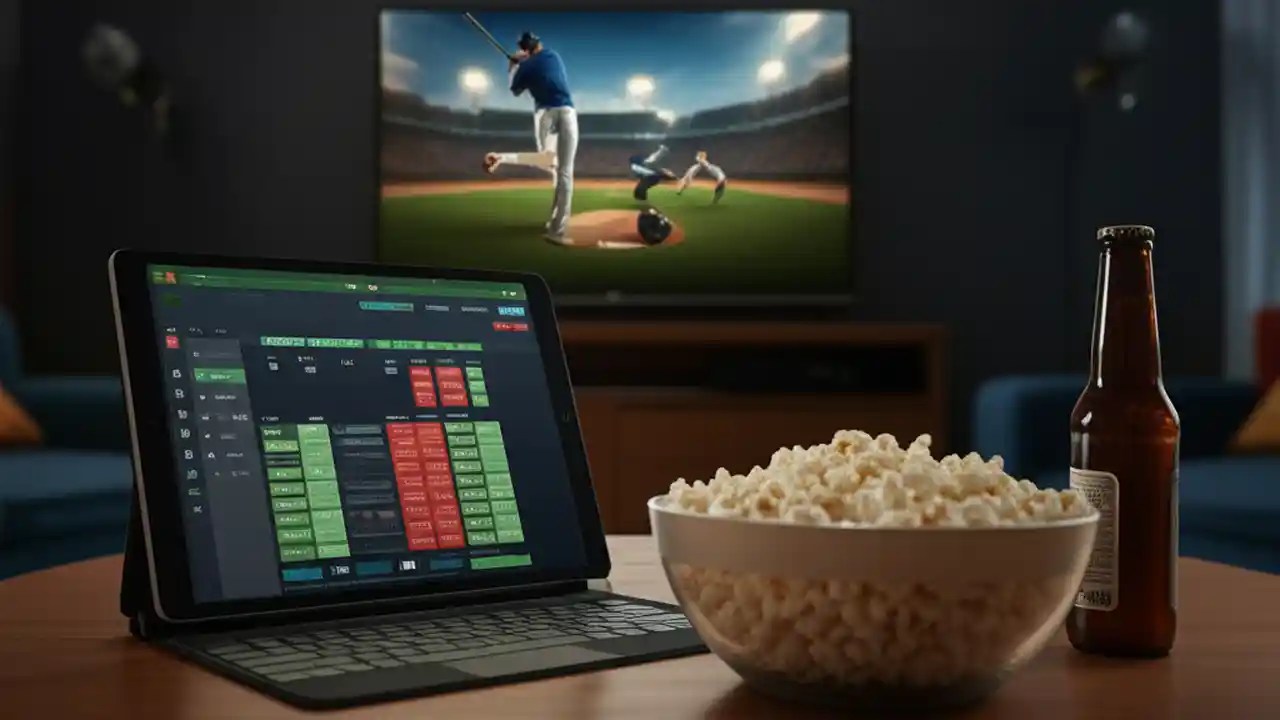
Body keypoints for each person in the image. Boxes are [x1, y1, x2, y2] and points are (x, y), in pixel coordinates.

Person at [482, 32, 578, 245]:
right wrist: (521, 63)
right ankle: (557, 231)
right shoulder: (553, 55)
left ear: (524, 49)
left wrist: (513, 67)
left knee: (550, 162)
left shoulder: (526, 67)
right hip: (566, 111)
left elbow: (515, 90)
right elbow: (539, 68)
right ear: (538, 43)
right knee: (563, 171)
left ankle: (500, 157)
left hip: (545, 114)